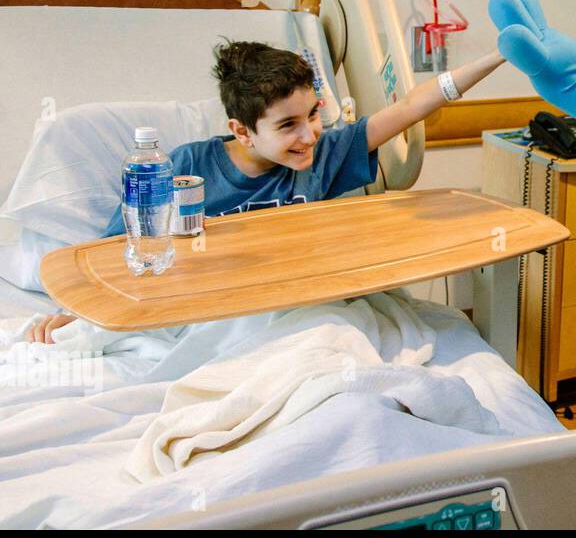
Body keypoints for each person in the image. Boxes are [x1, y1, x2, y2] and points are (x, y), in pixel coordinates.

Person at [27, 39, 505, 342]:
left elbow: (410, 107)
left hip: (300, 305)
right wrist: (73, 309)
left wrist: (500, 54)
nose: (310, 135)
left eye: (314, 114)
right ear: (242, 130)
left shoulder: (324, 158)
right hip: (222, 313)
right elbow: (116, 250)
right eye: (288, 125)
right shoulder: (187, 168)